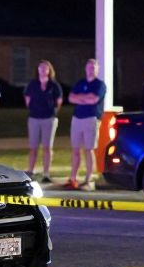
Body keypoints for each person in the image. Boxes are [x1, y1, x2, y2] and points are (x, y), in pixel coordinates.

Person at [67, 58, 106, 190]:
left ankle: (88, 179)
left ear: (97, 69)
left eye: (93, 67)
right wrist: (85, 97)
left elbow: (94, 99)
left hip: (91, 118)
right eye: (89, 67)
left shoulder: (100, 85)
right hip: (77, 118)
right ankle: (73, 178)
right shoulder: (80, 83)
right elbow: (71, 98)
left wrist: (80, 98)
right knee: (76, 150)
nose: (91, 69)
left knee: (89, 149)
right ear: (85, 69)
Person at [24, 59, 62, 183]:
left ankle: (46, 173)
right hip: (34, 118)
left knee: (47, 147)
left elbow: (59, 101)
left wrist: (53, 112)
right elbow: (27, 98)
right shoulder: (33, 84)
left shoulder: (54, 85)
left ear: (49, 70)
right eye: (40, 68)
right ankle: (31, 171)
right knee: (33, 147)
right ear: (37, 70)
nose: (43, 70)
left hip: (49, 119)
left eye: (45, 68)